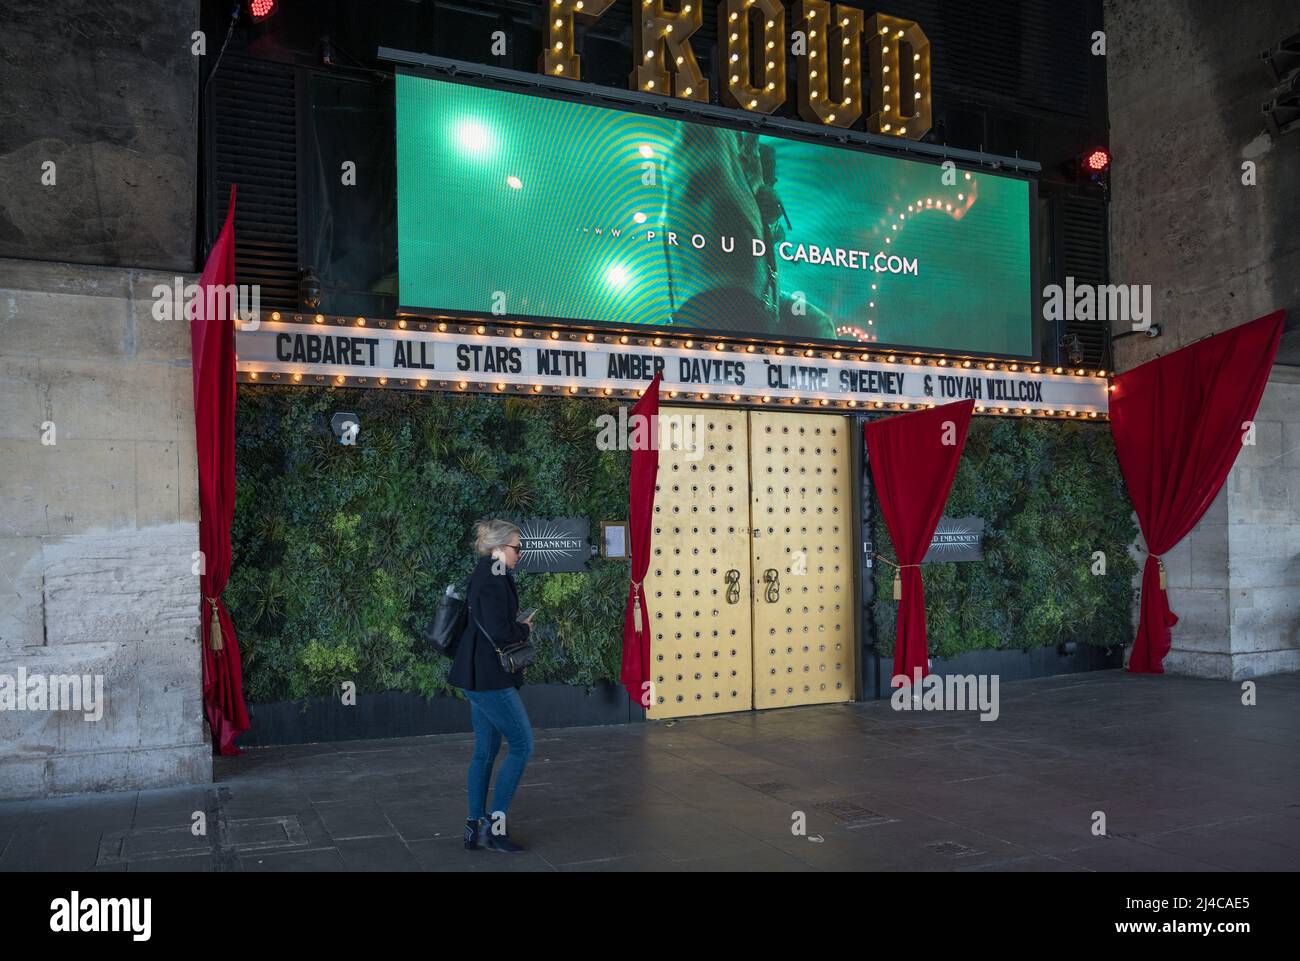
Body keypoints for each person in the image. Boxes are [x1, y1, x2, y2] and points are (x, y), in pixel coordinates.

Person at [449, 519, 535, 853]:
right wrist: (523, 629)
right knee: (522, 745)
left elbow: (488, 624)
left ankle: (475, 828)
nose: (520, 553)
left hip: (476, 675)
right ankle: (495, 829)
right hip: (489, 679)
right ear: (498, 548)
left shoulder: (485, 573)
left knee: (485, 752)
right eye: (516, 547)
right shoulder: (494, 579)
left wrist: (512, 625)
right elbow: (500, 632)